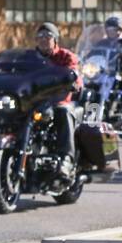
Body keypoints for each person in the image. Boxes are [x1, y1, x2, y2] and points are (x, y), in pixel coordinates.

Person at [32, 22, 80, 177]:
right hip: (36, 101)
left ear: (55, 39)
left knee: (63, 112)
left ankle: (67, 159)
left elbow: (75, 74)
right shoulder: (30, 58)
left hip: (58, 100)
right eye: (40, 36)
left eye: (48, 36)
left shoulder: (66, 56)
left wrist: (74, 83)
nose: (43, 39)